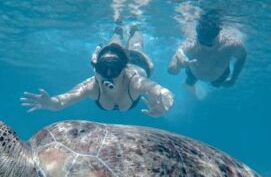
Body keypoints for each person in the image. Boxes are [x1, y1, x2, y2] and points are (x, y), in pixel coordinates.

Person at [21, 26, 174, 117]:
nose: (108, 72)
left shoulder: (134, 82)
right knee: (113, 43)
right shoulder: (92, 85)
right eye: (103, 67)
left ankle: (135, 28)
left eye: (114, 67)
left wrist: (166, 104)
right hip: (118, 62)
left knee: (136, 47)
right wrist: (50, 103)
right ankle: (117, 31)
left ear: (123, 68)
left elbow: (162, 91)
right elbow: (61, 102)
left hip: (138, 61)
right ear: (96, 68)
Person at [168, 11, 247, 97]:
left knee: (216, 85)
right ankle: (190, 85)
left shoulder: (231, 45)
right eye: (201, 42)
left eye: (208, 43)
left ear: (217, 35)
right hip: (194, 72)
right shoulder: (190, 44)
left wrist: (233, 78)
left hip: (219, 76)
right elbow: (171, 70)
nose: (204, 46)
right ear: (197, 35)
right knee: (189, 81)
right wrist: (177, 64)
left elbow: (242, 57)